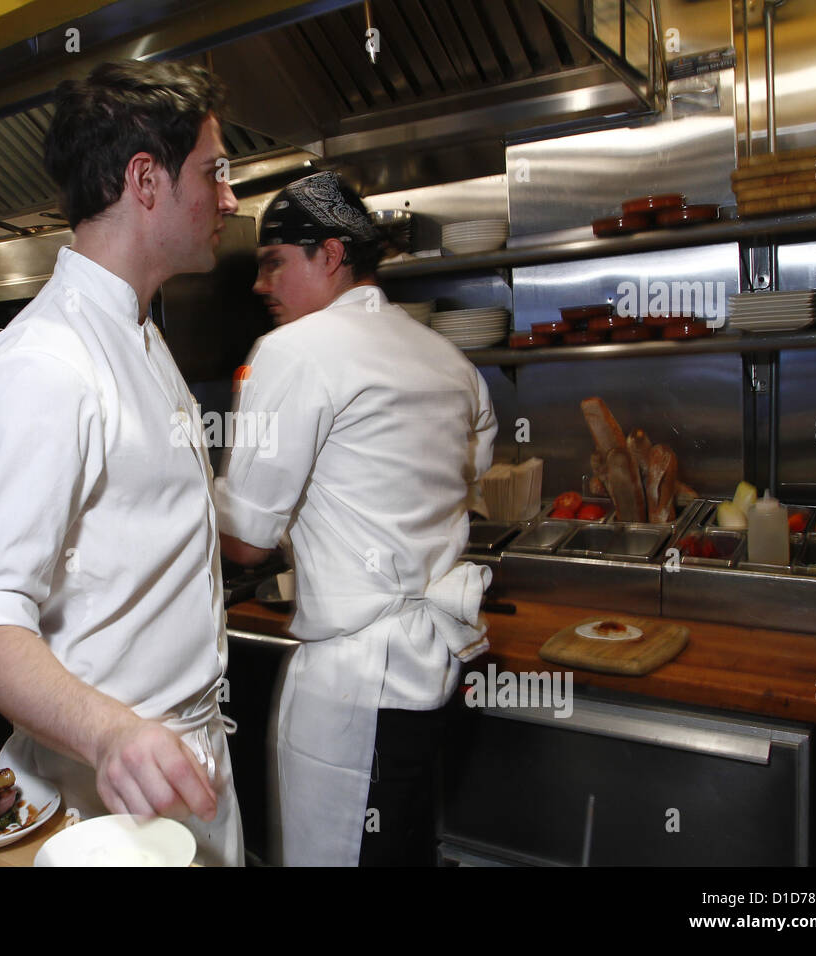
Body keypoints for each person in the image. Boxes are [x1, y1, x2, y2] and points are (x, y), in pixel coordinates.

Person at [0, 60, 243, 866]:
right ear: (145, 180)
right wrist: (113, 736)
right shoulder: (45, 362)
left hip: (181, 766)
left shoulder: (137, 331)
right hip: (98, 799)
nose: (229, 199)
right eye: (215, 173)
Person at [213, 172, 497, 866]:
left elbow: (246, 542)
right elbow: (456, 478)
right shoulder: (449, 360)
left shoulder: (295, 351)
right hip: (435, 674)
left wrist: (195, 476)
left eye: (275, 261)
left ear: (331, 255)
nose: (260, 284)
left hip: (357, 685)